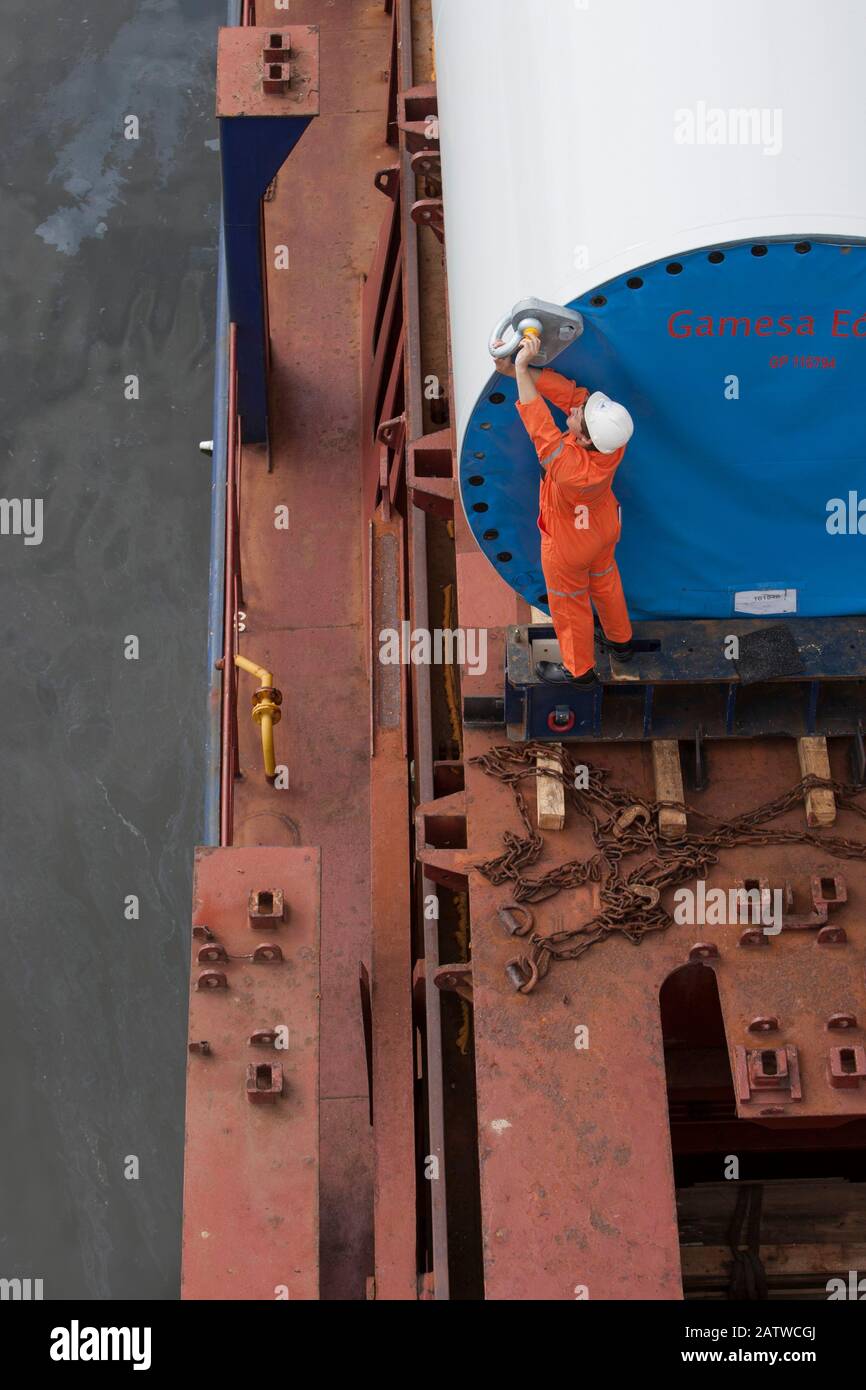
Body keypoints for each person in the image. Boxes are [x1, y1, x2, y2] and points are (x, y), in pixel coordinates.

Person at [492, 334, 635, 684]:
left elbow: (539, 424)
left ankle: (579, 671)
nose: (575, 407)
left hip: (568, 545)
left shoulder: (570, 469)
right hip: (602, 528)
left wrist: (522, 368)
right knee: (606, 583)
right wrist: (518, 374)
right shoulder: (610, 443)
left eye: (578, 416)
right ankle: (622, 643)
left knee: (569, 605)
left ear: (585, 439)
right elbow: (572, 395)